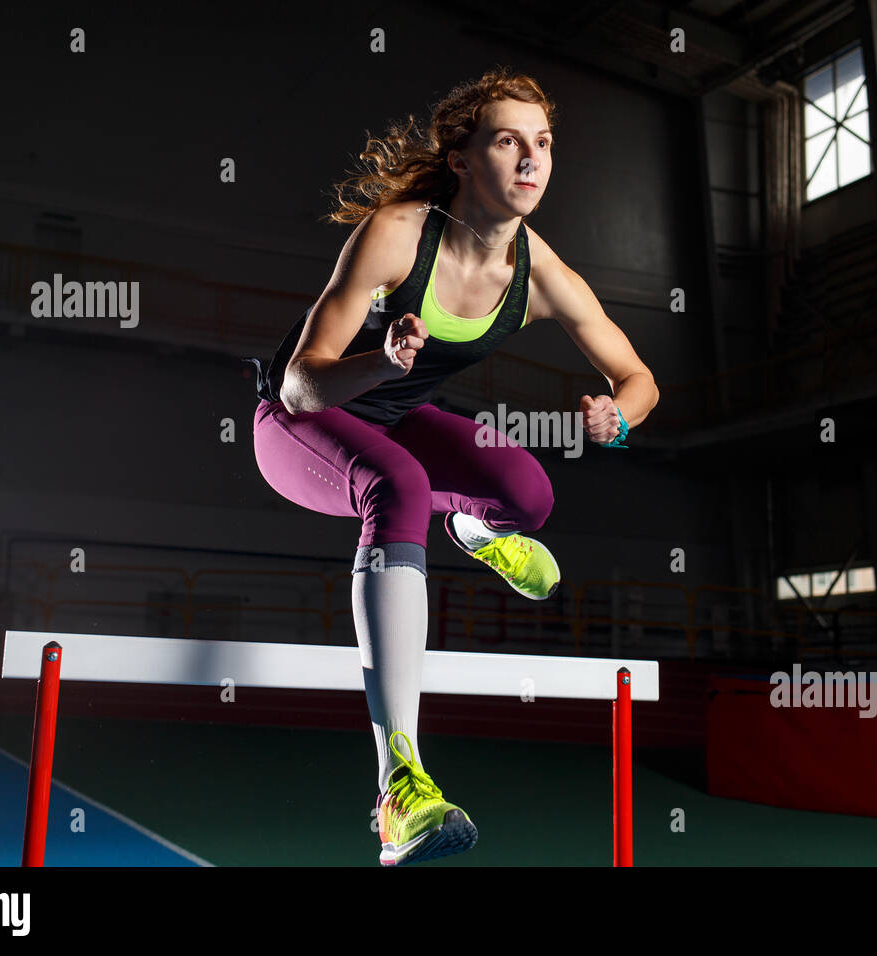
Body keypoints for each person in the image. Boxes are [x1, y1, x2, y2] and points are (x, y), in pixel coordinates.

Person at [248, 66, 658, 866]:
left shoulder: (541, 272)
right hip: (295, 425)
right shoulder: (400, 233)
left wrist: (619, 418)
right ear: (465, 159)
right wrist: (381, 364)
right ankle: (397, 792)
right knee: (396, 486)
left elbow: (639, 378)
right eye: (509, 142)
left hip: (395, 420)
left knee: (528, 495)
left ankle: (472, 525)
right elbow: (301, 383)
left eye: (543, 144)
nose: (532, 160)